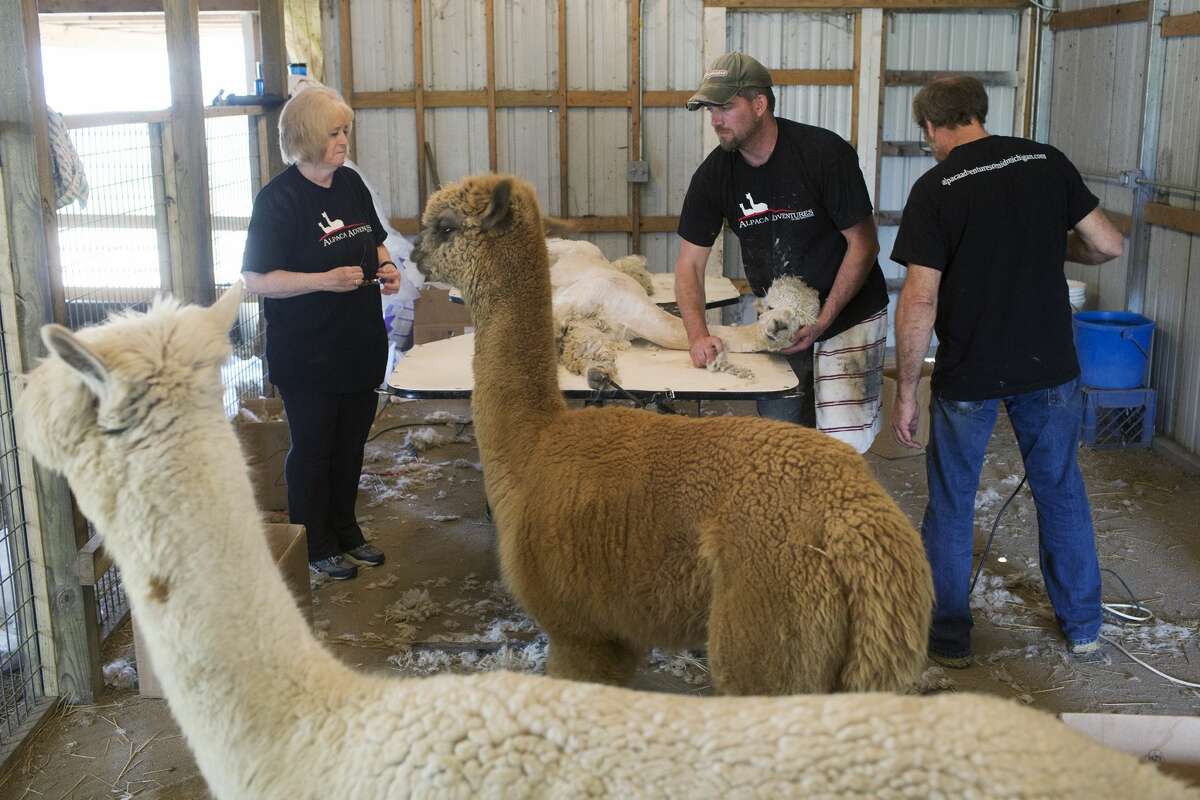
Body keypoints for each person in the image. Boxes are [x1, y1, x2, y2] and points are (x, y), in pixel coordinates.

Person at [890, 75, 1125, 667]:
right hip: (1049, 369)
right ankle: (1084, 626)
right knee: (1061, 493)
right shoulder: (1046, 162)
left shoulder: (936, 187)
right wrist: (1049, 241)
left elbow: (919, 299)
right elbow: (1108, 245)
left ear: (931, 127)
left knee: (950, 501)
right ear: (979, 113)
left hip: (969, 373)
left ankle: (947, 637)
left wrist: (908, 388)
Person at [675, 52, 889, 452]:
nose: (715, 119)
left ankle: (836, 513)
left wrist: (824, 321)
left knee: (841, 447)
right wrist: (697, 335)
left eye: (725, 107)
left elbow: (863, 245)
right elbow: (689, 264)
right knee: (783, 441)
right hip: (782, 320)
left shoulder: (823, 154)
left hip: (848, 314)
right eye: (710, 110)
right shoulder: (715, 175)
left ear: (760, 104)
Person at [242, 86, 401, 581]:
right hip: (307, 353)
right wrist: (323, 282)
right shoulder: (278, 200)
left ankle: (347, 529)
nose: (343, 141)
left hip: (357, 343)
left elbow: (373, 240)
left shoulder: (350, 184)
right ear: (308, 138)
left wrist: (388, 265)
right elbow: (255, 279)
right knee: (314, 448)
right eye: (334, 133)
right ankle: (314, 542)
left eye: (345, 131)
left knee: (351, 444)